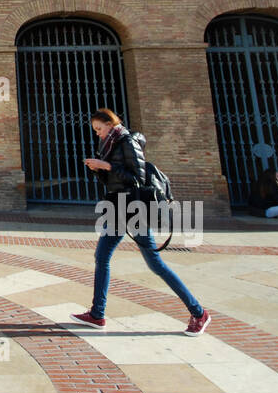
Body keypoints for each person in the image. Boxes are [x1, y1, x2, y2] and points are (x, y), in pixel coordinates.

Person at [70, 108, 210, 335]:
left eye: (99, 128)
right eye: (95, 130)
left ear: (110, 123)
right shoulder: (109, 144)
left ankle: (198, 312)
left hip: (134, 208)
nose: (98, 134)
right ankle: (97, 314)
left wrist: (107, 166)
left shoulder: (126, 141)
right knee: (102, 256)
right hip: (117, 205)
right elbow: (114, 178)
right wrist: (99, 169)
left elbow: (138, 178)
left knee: (154, 263)